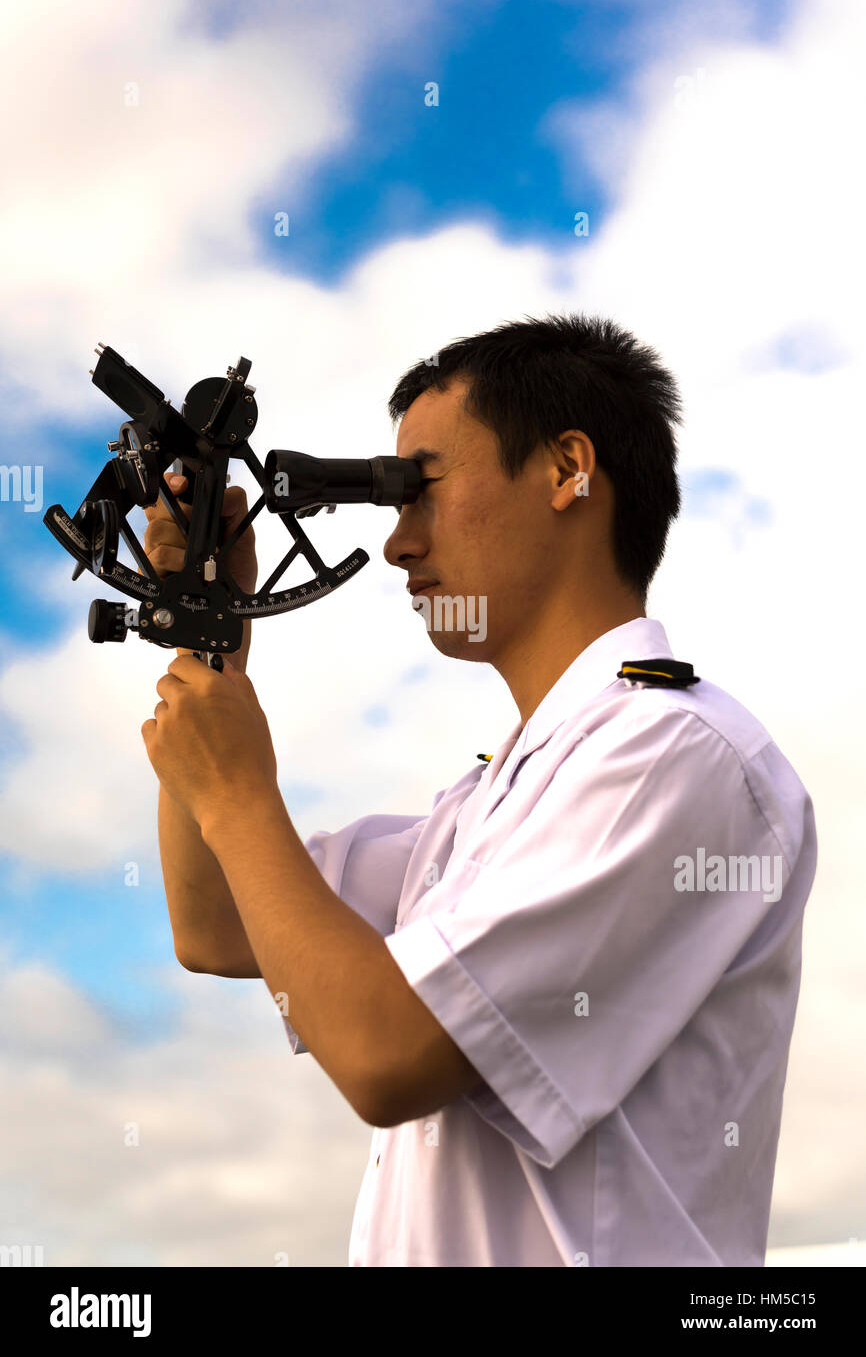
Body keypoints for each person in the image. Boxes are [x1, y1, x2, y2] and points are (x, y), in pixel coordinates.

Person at [143, 313, 817, 1267]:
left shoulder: (676, 754)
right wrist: (212, 628)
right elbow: (216, 928)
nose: (396, 546)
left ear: (566, 469)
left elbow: (385, 1055)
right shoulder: (488, 807)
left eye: (419, 488)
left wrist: (242, 790)